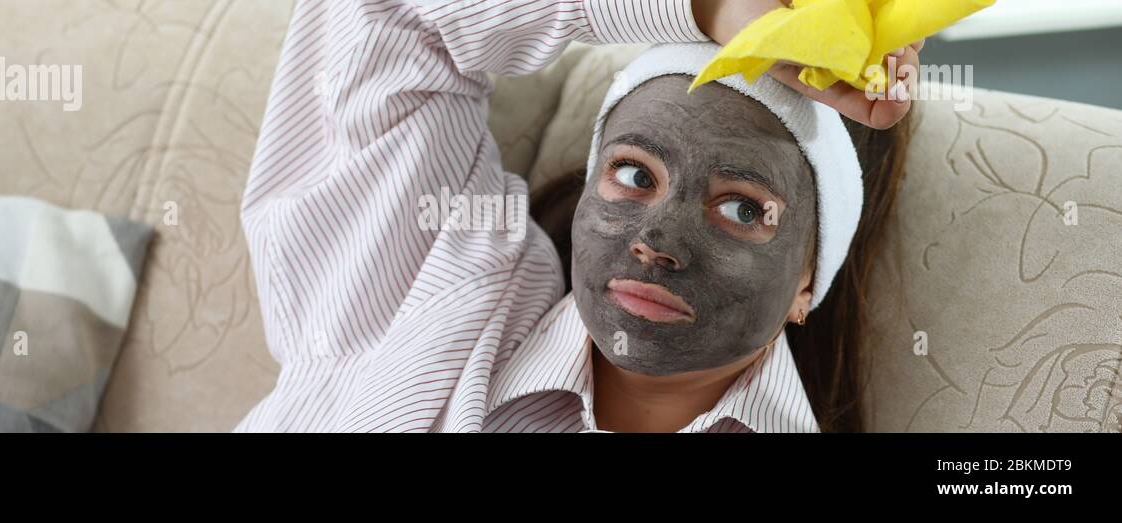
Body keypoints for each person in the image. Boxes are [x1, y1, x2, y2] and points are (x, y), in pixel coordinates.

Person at [236, 0, 917, 433]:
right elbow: (378, 15)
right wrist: (708, 6)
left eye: (741, 207)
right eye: (633, 174)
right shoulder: (430, 279)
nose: (656, 243)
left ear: (808, 278)